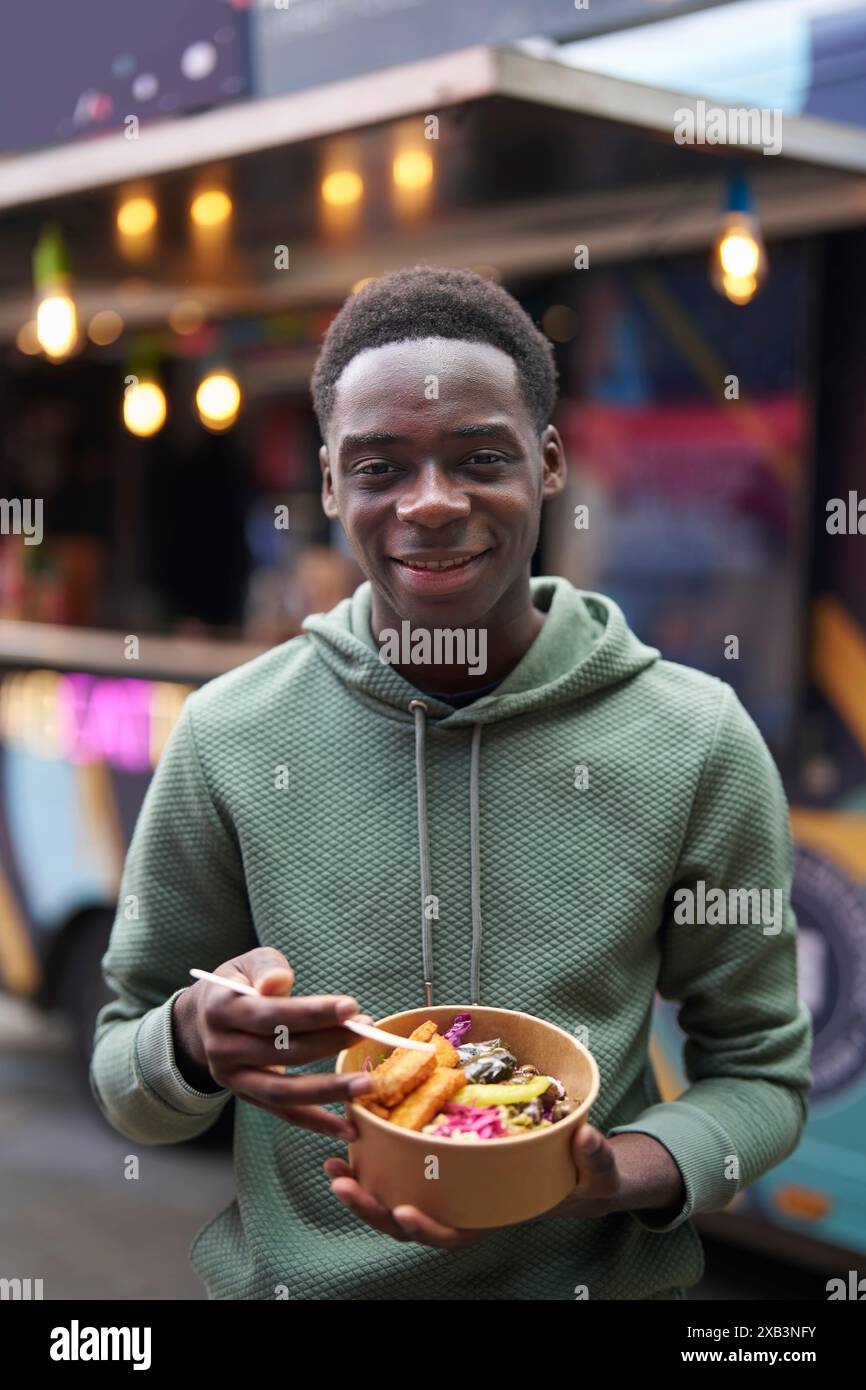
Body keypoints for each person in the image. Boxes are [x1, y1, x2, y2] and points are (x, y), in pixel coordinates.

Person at [91, 265, 812, 1301]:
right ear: (332, 486)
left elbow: (758, 1075)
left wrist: (622, 1174)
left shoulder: (692, 739)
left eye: (479, 457)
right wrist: (193, 1045)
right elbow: (129, 1080)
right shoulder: (230, 735)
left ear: (549, 462)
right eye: (380, 467)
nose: (431, 503)